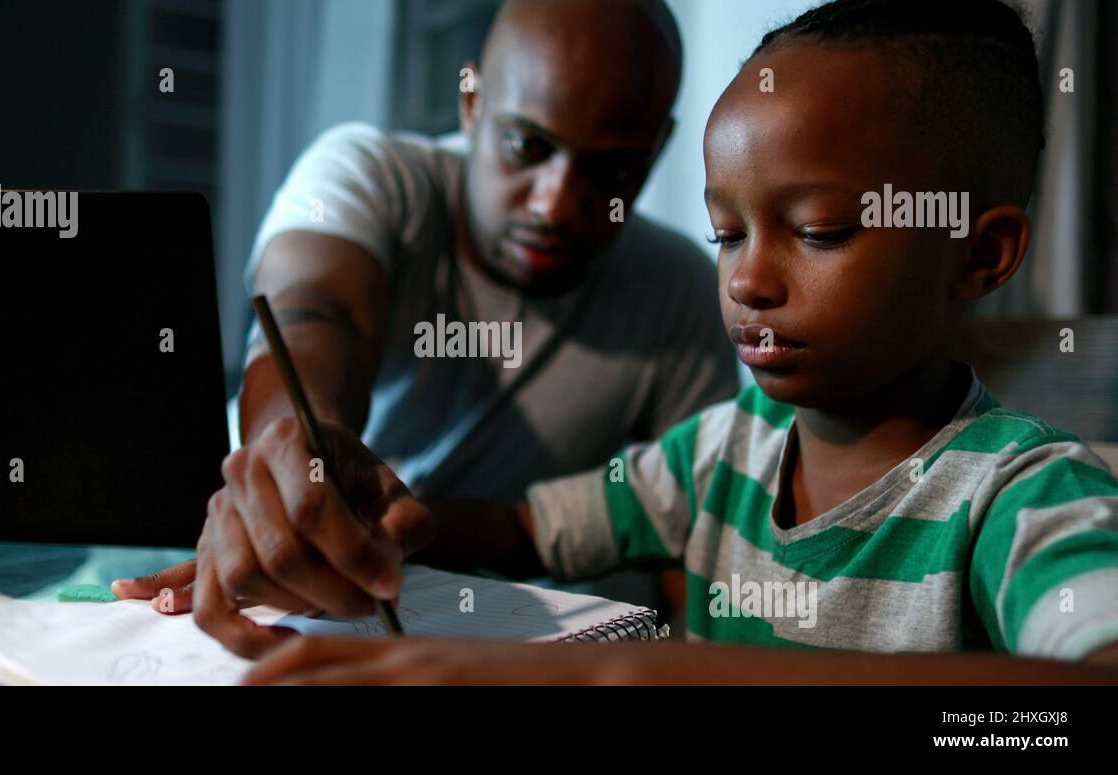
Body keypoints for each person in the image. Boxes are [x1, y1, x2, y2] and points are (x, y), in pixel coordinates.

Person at [236, 0, 1118, 684]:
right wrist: (385, 522)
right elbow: (527, 528)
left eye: (816, 232)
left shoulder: (1021, 493)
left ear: (980, 252)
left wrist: (629, 673)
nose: (746, 281)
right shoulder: (720, 452)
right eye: (726, 235)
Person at [113, 0, 736, 631]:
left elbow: (684, 538)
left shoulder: (680, 290)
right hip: (248, 572)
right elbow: (316, 316)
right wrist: (304, 440)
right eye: (527, 144)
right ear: (472, 101)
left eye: (613, 169)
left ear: (659, 148)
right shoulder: (370, 176)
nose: (557, 204)